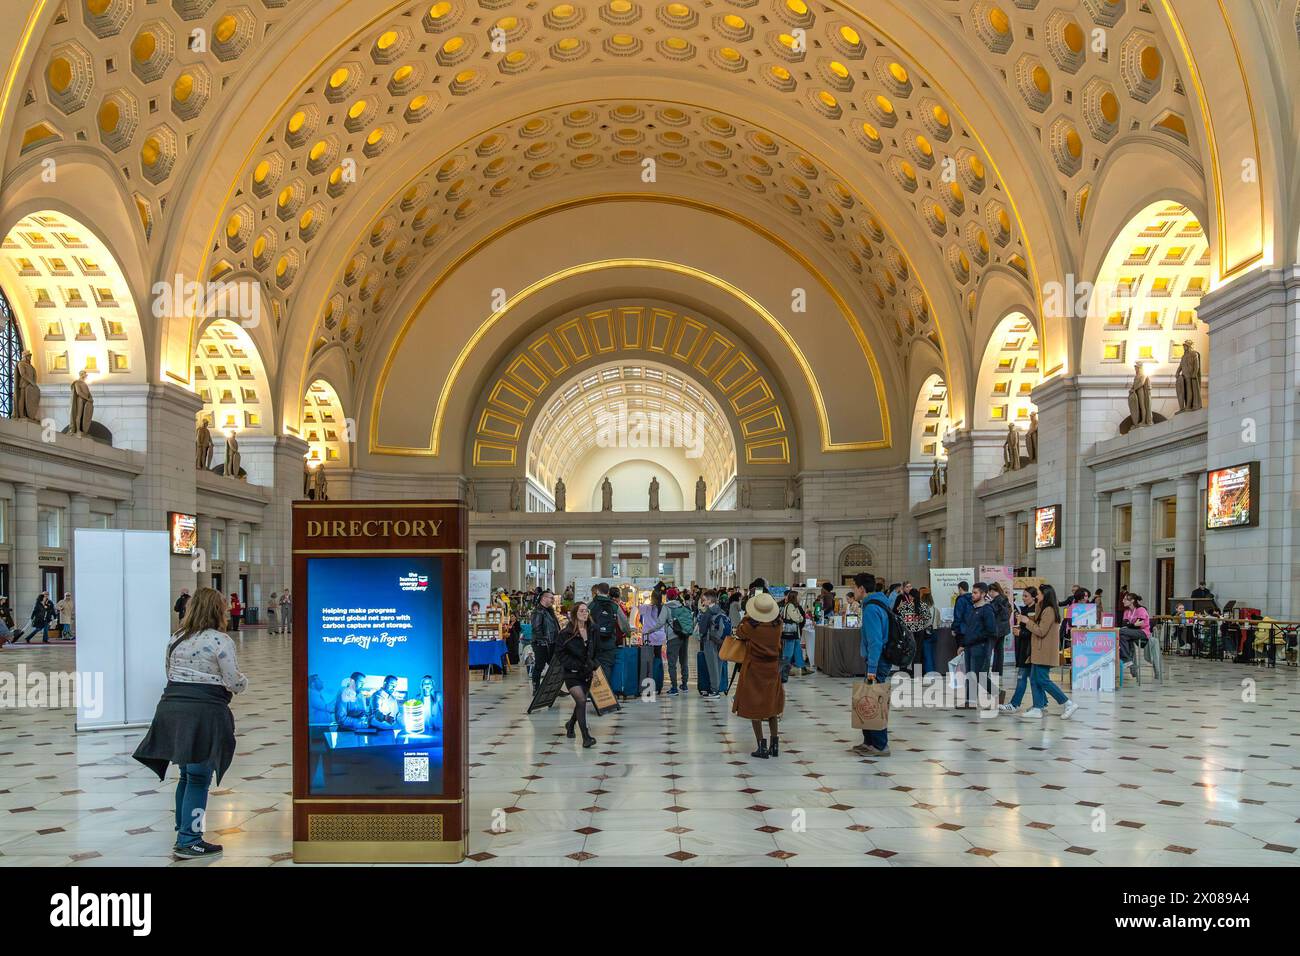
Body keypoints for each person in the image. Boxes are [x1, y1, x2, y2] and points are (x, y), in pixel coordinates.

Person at [132, 587, 246, 860]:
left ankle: (183, 830)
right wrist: (244, 682)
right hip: (203, 713)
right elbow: (233, 681)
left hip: (172, 709)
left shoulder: (176, 638)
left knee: (186, 774)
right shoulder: (220, 641)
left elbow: (169, 671)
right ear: (217, 610)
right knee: (199, 777)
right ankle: (190, 839)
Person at [1015, 584, 1078, 720]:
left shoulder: (1049, 610)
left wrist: (1027, 621)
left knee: (1043, 680)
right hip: (1037, 650)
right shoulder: (1043, 608)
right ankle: (1038, 708)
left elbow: (1041, 631)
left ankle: (1067, 703)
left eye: (1038, 594)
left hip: (1044, 651)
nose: (1036, 596)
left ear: (1045, 594)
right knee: (1034, 679)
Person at [732, 592, 783, 758]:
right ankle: (775, 744)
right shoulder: (778, 624)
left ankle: (761, 745)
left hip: (754, 668)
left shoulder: (751, 627)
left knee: (755, 707)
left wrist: (747, 617)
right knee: (772, 706)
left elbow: (739, 632)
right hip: (772, 668)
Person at [853, 574, 893, 756]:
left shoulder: (871, 609)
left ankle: (880, 745)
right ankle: (869, 742)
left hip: (877, 662)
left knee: (874, 701)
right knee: (867, 699)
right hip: (878, 660)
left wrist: (871, 670)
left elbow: (876, 641)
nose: (853, 591)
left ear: (862, 588)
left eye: (854, 587)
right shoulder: (879, 603)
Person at [555, 601, 597, 747]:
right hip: (571, 673)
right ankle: (586, 737)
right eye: (581, 611)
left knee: (581, 703)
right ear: (574, 614)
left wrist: (593, 664)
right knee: (581, 701)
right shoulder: (565, 633)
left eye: (586, 611)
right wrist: (573, 665)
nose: (585, 613)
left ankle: (570, 724)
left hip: (586, 672)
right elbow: (560, 653)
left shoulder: (592, 630)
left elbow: (596, 649)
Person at [999, 586, 1038, 714]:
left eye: (1026, 596)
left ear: (1034, 597)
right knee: (1030, 679)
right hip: (1023, 648)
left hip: (1029, 650)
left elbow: (1035, 631)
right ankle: (1040, 704)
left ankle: (1015, 704)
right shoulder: (1025, 610)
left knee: (1026, 678)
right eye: (1023, 596)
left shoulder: (1035, 611)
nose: (1023, 598)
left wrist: (1020, 633)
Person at [589, 583, 628, 683]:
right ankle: (606, 695)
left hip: (593, 642)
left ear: (597, 591)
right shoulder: (614, 606)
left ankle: (592, 695)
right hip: (609, 642)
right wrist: (628, 634)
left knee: (593, 667)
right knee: (607, 668)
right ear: (608, 592)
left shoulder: (591, 605)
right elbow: (624, 625)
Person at [695, 589, 728, 700]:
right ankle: (717, 688)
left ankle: (714, 691)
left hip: (710, 641)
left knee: (712, 666)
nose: (703, 602)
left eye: (704, 600)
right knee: (718, 665)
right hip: (720, 642)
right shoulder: (721, 611)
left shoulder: (708, 612)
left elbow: (702, 629)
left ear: (709, 600)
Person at [529, 589, 561, 695]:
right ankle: (536, 688)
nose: (553, 600)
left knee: (554, 666)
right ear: (544, 598)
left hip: (551, 643)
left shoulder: (548, 610)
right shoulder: (538, 611)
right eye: (551, 598)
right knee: (539, 665)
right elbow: (536, 628)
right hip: (542, 644)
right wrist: (543, 640)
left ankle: (554, 688)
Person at [638, 586, 669, 695]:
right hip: (660, 636)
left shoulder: (646, 607)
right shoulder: (663, 608)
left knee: (648, 661)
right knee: (658, 659)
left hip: (649, 636)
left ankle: (649, 684)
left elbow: (637, 608)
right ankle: (659, 684)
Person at [663, 587, 693, 694]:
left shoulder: (666, 608)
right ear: (676, 596)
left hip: (673, 637)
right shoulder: (682, 606)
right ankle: (684, 685)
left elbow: (661, 622)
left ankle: (674, 688)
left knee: (672, 663)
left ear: (667, 596)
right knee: (684, 661)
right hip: (684, 636)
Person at [1118, 591, 1151, 685]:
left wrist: (1130, 625)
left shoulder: (1141, 610)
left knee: (1120, 631)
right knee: (1121, 635)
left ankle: (1126, 659)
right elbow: (1124, 624)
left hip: (1143, 632)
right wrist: (1132, 625)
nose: (1123, 601)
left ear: (1132, 600)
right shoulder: (1127, 611)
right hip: (1131, 633)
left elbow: (1138, 625)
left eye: (1125, 599)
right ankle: (1128, 660)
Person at [778, 589, 808, 681]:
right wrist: (800, 618)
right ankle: (782, 672)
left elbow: (799, 617)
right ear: (795, 597)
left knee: (796, 650)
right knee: (788, 653)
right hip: (790, 633)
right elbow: (797, 618)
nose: (800, 598)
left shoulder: (793, 606)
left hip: (794, 633)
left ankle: (802, 667)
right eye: (799, 596)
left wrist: (800, 617)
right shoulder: (790, 606)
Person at [987, 581, 1012, 682]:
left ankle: (991, 671)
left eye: (989, 592)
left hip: (996, 629)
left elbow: (992, 613)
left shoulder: (996, 601)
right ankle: (998, 671)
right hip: (1004, 629)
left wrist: (988, 604)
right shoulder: (1004, 599)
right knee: (999, 650)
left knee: (990, 650)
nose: (989, 594)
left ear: (993, 591)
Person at [917, 588, 938, 674]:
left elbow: (921, 622)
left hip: (926, 633)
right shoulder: (935, 609)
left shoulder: (923, 609)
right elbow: (938, 622)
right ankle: (933, 672)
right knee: (932, 654)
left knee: (927, 655)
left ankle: (930, 674)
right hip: (935, 633)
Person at [951, 581, 973, 650]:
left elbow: (958, 616)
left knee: (960, 652)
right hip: (972, 629)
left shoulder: (961, 600)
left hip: (962, 630)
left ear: (960, 588)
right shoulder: (973, 598)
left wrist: (954, 628)